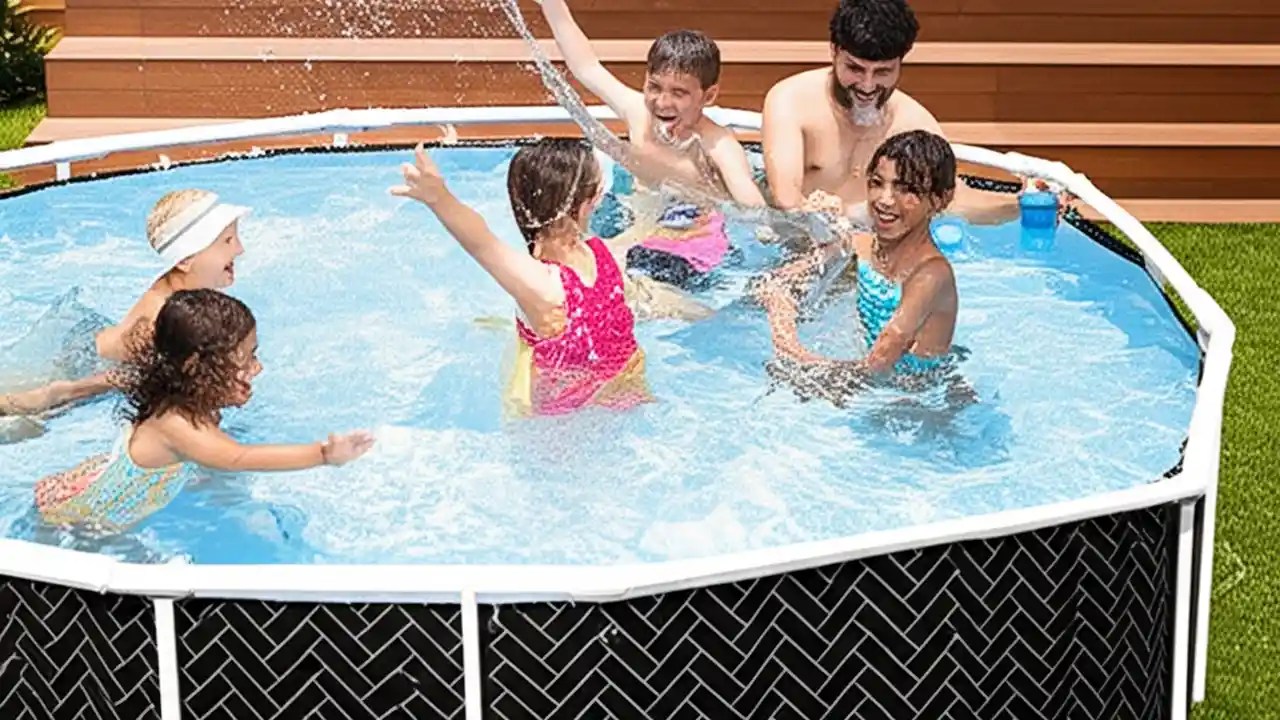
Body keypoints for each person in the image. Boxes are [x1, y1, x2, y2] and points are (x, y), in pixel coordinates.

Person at [34, 290, 374, 533]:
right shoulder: (176, 424)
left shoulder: (187, 399)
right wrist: (323, 454)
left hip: (101, 485)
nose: (258, 368)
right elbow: (236, 458)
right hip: (84, 520)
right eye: (247, 359)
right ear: (198, 368)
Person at [392, 139, 653, 417]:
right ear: (591, 200)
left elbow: (485, 242)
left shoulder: (585, 261)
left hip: (604, 408)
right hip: (583, 422)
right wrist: (440, 199)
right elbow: (481, 243)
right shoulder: (546, 286)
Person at [762, 0, 1061, 226]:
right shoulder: (791, 101)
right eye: (855, 68)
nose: (867, 86)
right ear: (833, 51)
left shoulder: (914, 125)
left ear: (901, 62)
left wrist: (1019, 204)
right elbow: (787, 201)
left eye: (882, 72)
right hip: (797, 239)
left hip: (870, 243)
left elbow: (950, 199)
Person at [537, 0, 767, 286]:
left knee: (622, 278)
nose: (662, 102)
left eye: (679, 93)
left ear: (708, 96)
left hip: (689, 230)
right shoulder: (638, 112)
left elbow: (754, 208)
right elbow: (586, 67)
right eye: (654, 87)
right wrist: (552, 4)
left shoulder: (717, 145)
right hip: (636, 212)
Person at [1, 189, 250, 423]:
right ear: (186, 259)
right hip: (90, 362)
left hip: (100, 339)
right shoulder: (158, 320)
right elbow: (133, 377)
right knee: (32, 416)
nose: (240, 249)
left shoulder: (187, 289)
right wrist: (57, 394)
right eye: (228, 241)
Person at [756, 130, 963, 404]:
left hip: (921, 401)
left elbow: (879, 362)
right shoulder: (859, 246)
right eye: (877, 183)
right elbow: (775, 284)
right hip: (874, 390)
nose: (885, 200)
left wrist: (798, 361)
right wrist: (786, 335)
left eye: (907, 189)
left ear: (940, 199)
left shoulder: (932, 274)